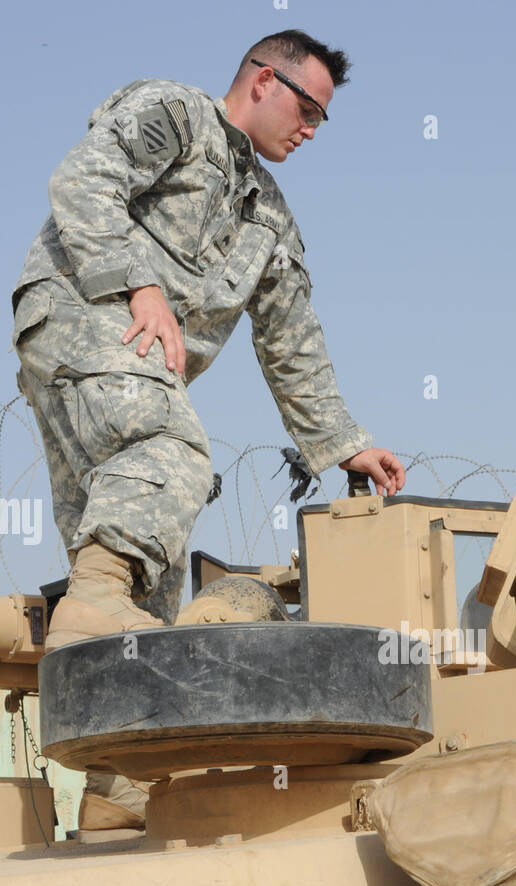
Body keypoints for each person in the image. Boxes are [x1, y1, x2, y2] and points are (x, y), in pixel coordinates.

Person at [10, 28, 405, 829]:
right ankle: (89, 601)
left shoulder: (270, 219)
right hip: (85, 314)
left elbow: (291, 337)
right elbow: (83, 183)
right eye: (307, 107)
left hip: (127, 366)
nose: (312, 129)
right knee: (176, 453)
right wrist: (140, 286)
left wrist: (340, 443)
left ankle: (118, 796)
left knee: (144, 597)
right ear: (262, 81)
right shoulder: (176, 116)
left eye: (324, 120)